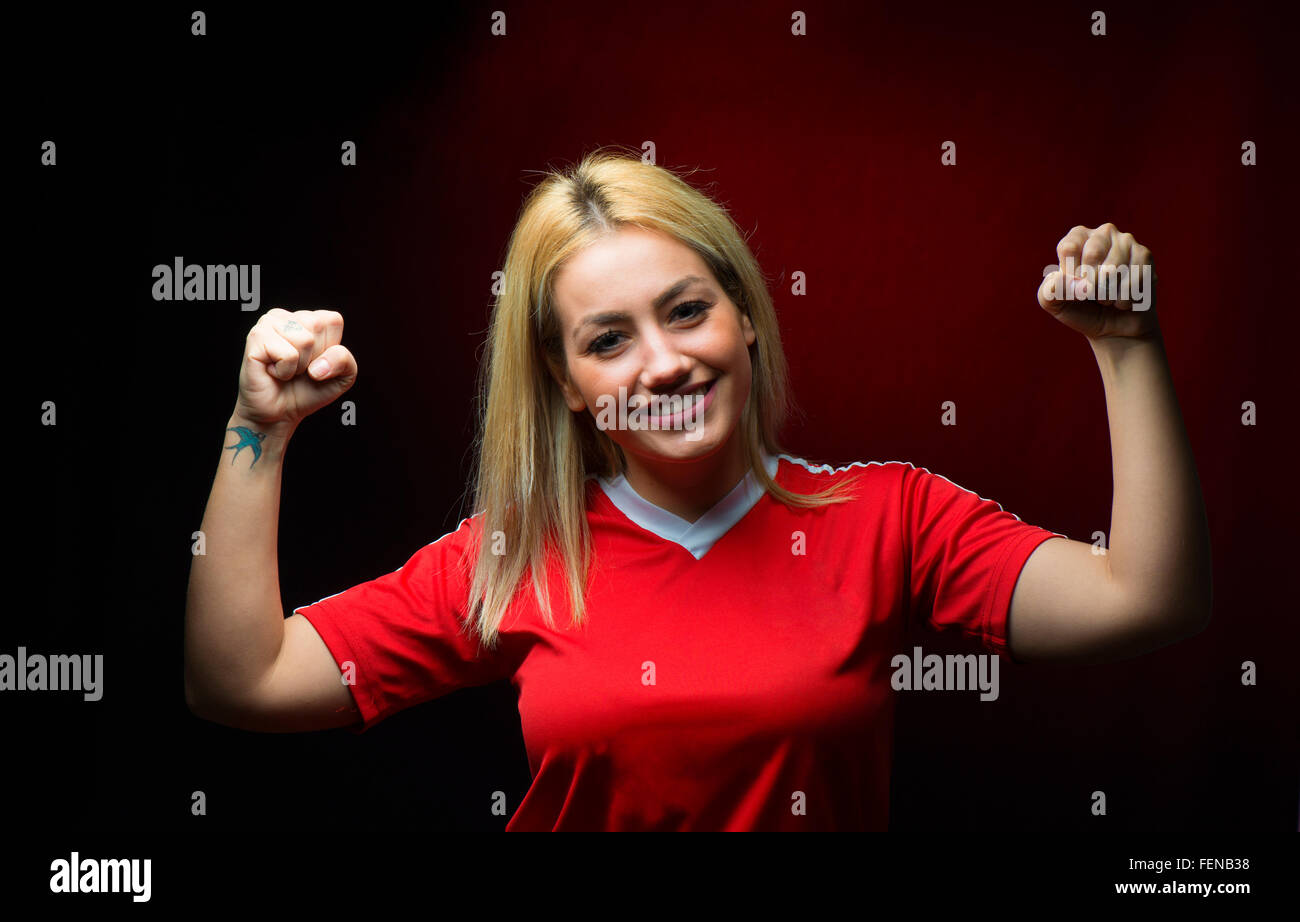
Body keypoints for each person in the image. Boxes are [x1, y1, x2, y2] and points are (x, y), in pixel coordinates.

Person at [184, 147, 1212, 831]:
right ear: (568, 386)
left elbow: (1146, 599)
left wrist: (1127, 350)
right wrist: (257, 429)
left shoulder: (889, 516)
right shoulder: (514, 552)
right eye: (608, 340)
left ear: (746, 318)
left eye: (687, 311)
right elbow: (243, 681)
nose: (663, 363)